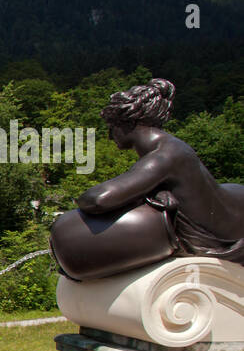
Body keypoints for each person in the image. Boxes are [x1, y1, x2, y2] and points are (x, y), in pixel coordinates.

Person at [51, 78, 244, 280]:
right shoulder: (173, 148)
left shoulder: (164, 155)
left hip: (222, 235)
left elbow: (99, 199)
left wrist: (135, 196)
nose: (110, 135)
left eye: (112, 126)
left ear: (129, 122)